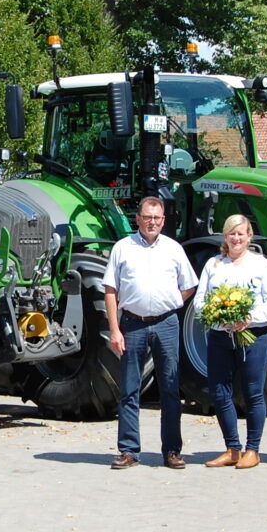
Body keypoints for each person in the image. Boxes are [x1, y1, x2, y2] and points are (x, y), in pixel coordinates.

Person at [104, 196, 197, 469]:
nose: (152, 222)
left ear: (164, 220)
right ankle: (129, 450)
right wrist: (114, 329)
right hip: (132, 324)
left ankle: (171, 450)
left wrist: (173, 302)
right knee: (130, 388)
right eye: (147, 217)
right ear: (138, 218)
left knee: (170, 387)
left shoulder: (173, 249)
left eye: (157, 218)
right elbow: (111, 290)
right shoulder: (123, 248)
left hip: (166, 324)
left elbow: (189, 284)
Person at [192, 214, 267, 469]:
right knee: (220, 393)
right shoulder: (214, 264)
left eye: (241, 233)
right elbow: (200, 300)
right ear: (225, 236)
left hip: (254, 336)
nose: (236, 238)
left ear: (249, 236)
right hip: (221, 336)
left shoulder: (260, 265)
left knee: (253, 393)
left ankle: (253, 449)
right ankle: (232, 448)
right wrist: (217, 314)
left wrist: (249, 318)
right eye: (232, 233)